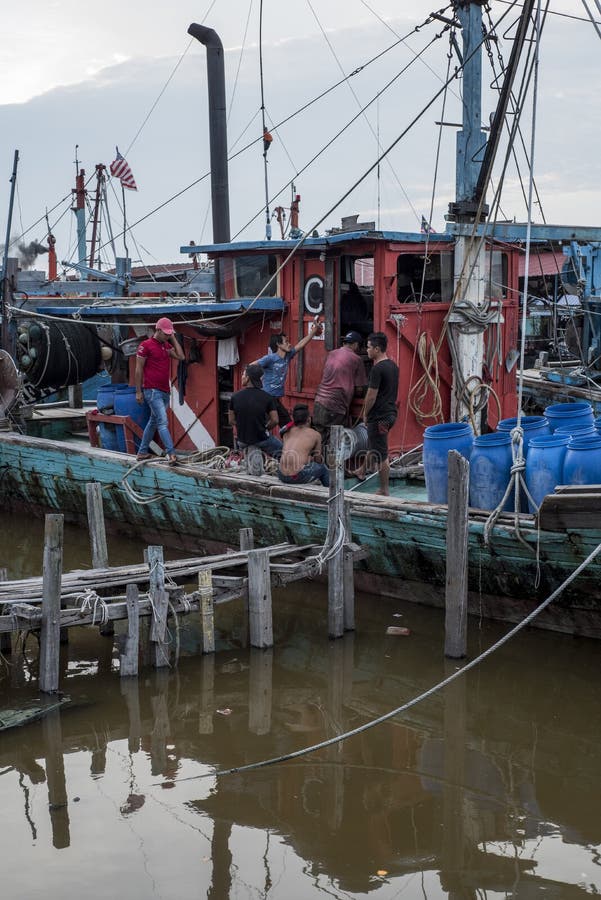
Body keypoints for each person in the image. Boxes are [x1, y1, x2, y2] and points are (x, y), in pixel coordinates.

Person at [253, 318, 323, 426]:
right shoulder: (270, 358)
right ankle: (263, 436)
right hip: (267, 398)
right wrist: (256, 384)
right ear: (279, 345)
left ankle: (265, 435)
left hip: (275, 399)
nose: (289, 344)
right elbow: (251, 366)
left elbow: (300, 344)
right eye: (286, 342)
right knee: (279, 424)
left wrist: (313, 332)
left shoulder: (287, 356)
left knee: (284, 425)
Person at [354, 331, 399, 495]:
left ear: (377, 349)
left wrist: (365, 413)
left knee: (381, 453)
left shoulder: (377, 369)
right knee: (374, 444)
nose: (367, 350)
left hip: (380, 417)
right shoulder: (393, 366)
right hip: (391, 413)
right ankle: (361, 470)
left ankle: (384, 489)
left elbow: (371, 395)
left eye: (369, 347)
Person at [135, 317, 184, 463]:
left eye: (170, 333)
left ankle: (142, 452)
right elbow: (138, 369)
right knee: (162, 422)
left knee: (154, 422)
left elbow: (181, 356)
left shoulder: (166, 346)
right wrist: (138, 392)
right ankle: (171, 453)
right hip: (152, 390)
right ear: (157, 330)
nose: (168, 336)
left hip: (164, 391)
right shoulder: (145, 345)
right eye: (166, 333)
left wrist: (173, 338)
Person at [313, 331, 367, 445]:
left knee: (320, 441)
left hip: (319, 402)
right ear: (356, 345)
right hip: (335, 406)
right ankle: (330, 463)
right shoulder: (356, 359)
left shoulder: (332, 353)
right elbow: (359, 389)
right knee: (334, 443)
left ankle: (317, 462)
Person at [228, 363, 282, 474]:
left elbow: (231, 420)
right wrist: (265, 427)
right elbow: (275, 420)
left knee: (251, 446)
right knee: (284, 453)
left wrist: (243, 426)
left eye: (243, 374)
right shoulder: (267, 397)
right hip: (261, 438)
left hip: (242, 440)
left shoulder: (235, 397)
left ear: (248, 378)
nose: (242, 377)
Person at [278, 403, 329, 487]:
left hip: (281, 475)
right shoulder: (315, 435)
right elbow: (318, 460)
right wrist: (314, 459)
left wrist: (308, 458)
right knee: (322, 468)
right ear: (309, 419)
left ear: (294, 419)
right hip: (296, 477)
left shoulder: (286, 433)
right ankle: (331, 495)